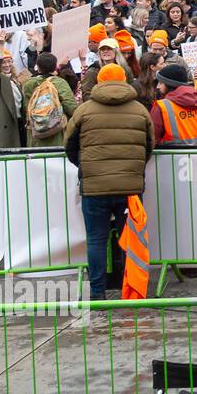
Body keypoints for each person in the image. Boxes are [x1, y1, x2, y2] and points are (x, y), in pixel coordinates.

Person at [63, 63, 154, 299]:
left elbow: (69, 145)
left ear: (99, 81)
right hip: (130, 188)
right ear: (124, 80)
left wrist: (85, 167)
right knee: (130, 240)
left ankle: (96, 294)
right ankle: (130, 292)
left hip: (94, 187)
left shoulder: (84, 110)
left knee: (96, 239)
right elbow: (148, 146)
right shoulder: (139, 110)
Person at [21, 51, 78, 147]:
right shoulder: (60, 83)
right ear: (55, 67)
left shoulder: (29, 84)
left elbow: (26, 109)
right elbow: (71, 108)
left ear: (38, 67)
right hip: (56, 135)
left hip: (36, 135)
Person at [148, 63, 197, 145]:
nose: (158, 87)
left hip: (170, 155)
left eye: (161, 83)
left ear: (170, 85)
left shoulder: (162, 106)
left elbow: (153, 137)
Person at [0, 38, 23, 149]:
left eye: (9, 61)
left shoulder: (15, 79)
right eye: (3, 62)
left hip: (17, 125)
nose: (7, 65)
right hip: (2, 130)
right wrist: (0, 45)